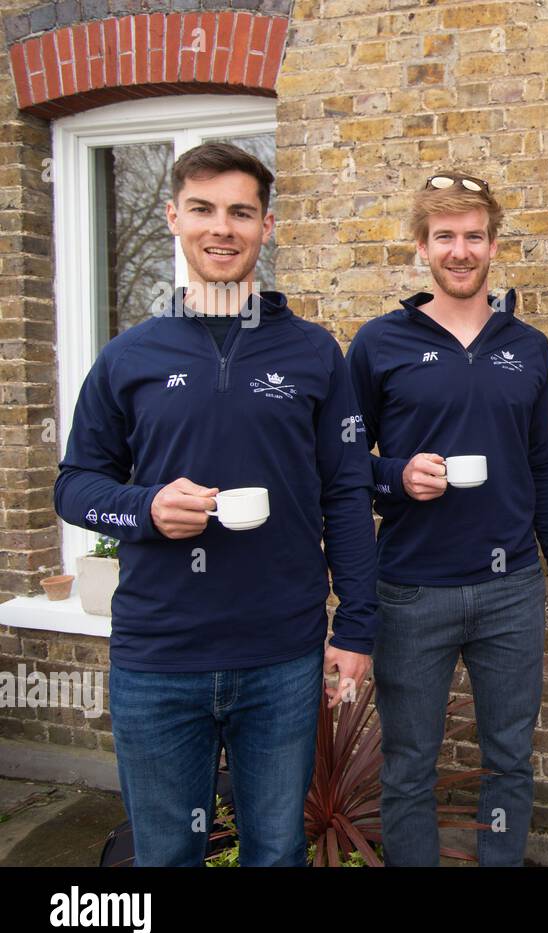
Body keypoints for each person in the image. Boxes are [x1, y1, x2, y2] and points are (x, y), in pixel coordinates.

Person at [54, 142, 378, 866]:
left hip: (281, 654)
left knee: (275, 852)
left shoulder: (313, 353)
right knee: (166, 855)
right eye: (202, 209)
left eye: (240, 212)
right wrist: (144, 510)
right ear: (174, 217)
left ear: (267, 226)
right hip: (158, 655)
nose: (221, 228)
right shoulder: (128, 357)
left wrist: (355, 628)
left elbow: (347, 493)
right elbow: (75, 485)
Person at [347, 172, 548, 867]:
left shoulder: (527, 345)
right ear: (421, 246)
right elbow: (341, 464)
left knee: (510, 760)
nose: (460, 249)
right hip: (412, 590)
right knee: (409, 764)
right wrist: (396, 474)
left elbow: (545, 465)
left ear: (493, 244)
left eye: (473, 236)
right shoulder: (379, 344)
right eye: (444, 236)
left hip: (511, 591)